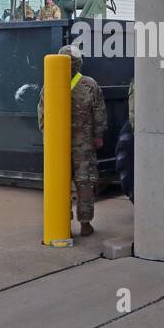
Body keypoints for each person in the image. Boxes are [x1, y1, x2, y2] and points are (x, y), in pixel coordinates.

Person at [38, 45, 106, 236]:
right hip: (84, 144)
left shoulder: (49, 85)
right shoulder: (89, 85)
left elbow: (42, 114)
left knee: (60, 183)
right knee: (85, 182)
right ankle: (85, 223)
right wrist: (99, 135)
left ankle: (61, 223)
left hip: (58, 145)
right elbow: (99, 112)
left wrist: (47, 136)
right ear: (79, 63)